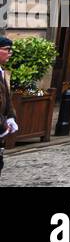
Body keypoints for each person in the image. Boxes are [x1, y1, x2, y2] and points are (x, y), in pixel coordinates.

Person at [0, 36, 16, 180]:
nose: (10, 53)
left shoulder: (2, 71)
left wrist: (11, 117)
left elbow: (7, 98)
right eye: (7, 49)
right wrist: (3, 122)